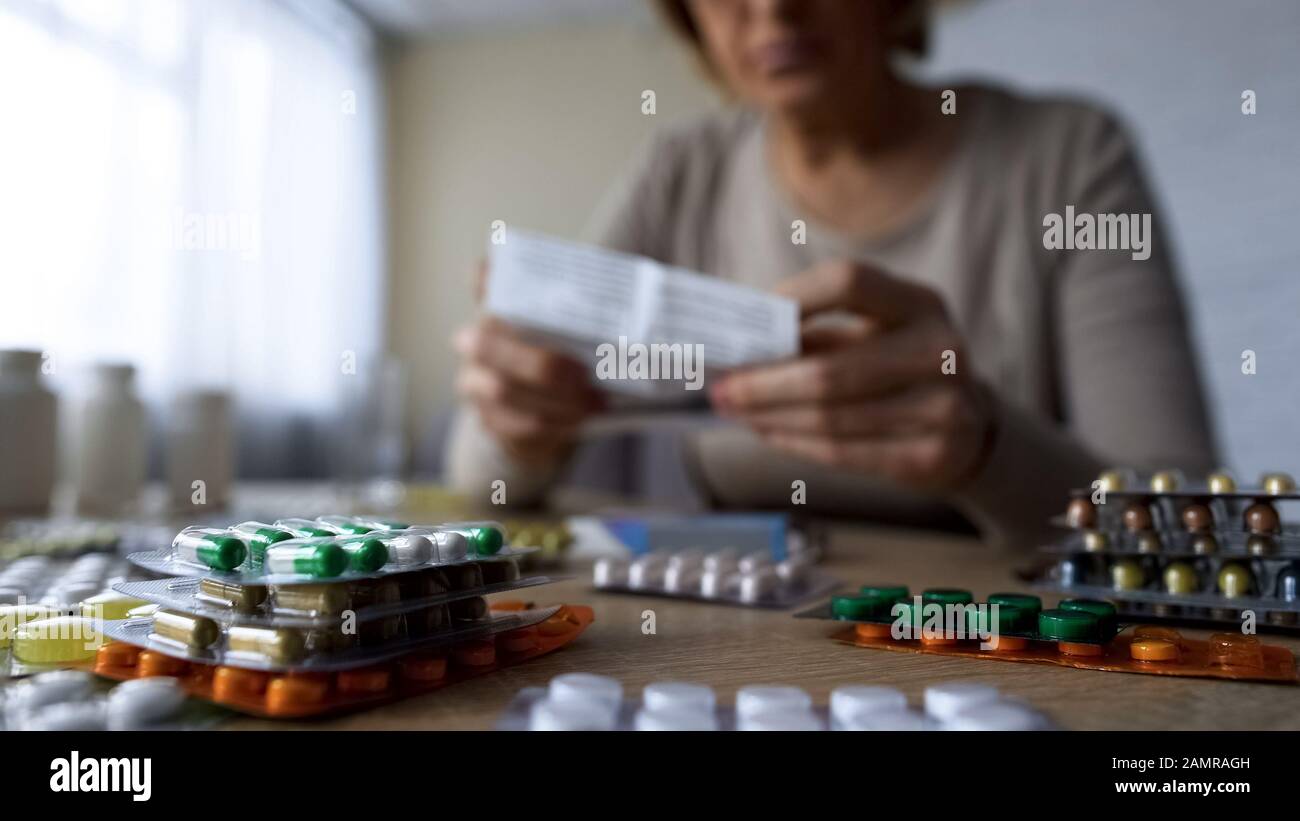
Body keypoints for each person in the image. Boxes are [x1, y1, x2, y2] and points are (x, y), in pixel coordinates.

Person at [446, 0, 1216, 550]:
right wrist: (519, 426)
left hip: (998, 625)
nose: (774, 10)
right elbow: (488, 486)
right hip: (731, 608)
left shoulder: (1069, 158)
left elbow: (1181, 525)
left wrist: (986, 447)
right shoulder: (680, 171)